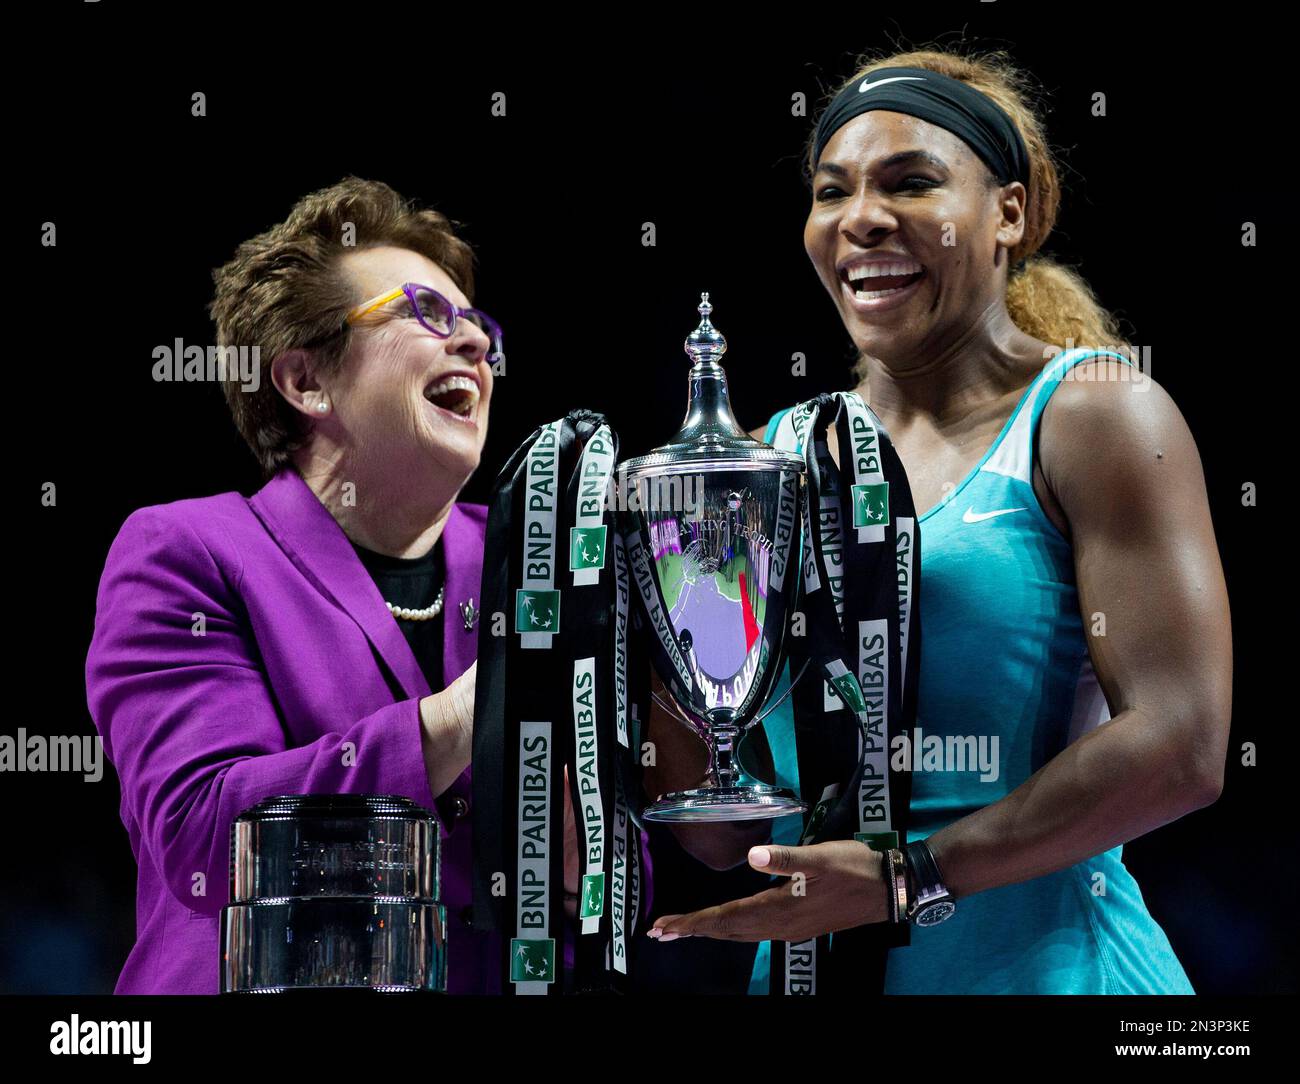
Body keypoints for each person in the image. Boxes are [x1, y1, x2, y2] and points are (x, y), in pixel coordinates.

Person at [648, 47, 1232, 994]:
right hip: (808, 982)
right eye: (831, 191)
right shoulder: (765, 460)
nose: (862, 218)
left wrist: (906, 878)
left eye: (912, 182)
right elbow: (721, 835)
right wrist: (650, 642)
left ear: (1007, 214)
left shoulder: (1096, 415)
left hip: (1058, 976)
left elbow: (1183, 745)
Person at [85, 177, 508, 993]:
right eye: (428, 314)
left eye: (480, 328)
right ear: (306, 381)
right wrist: (466, 714)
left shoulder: (528, 559)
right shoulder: (187, 551)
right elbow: (206, 830)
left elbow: (608, 873)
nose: (476, 347)